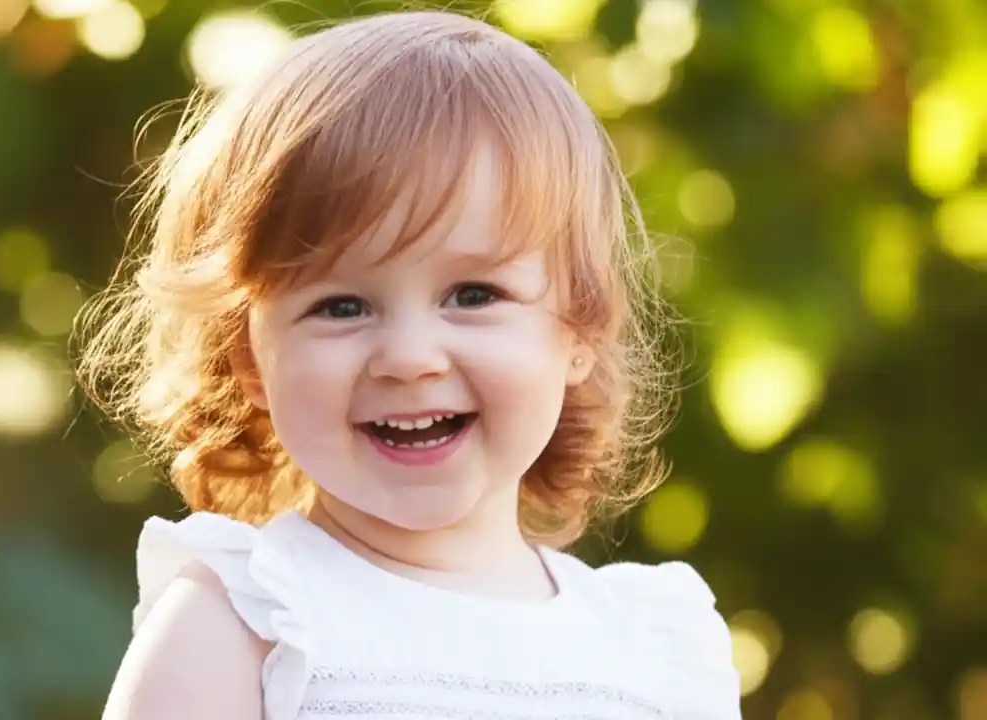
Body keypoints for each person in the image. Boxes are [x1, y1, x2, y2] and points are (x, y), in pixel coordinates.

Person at [78, 9, 742, 719]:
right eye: (341, 306)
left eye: (473, 294)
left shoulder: (655, 647)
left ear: (578, 327)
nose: (409, 359)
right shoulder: (243, 622)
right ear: (250, 360)